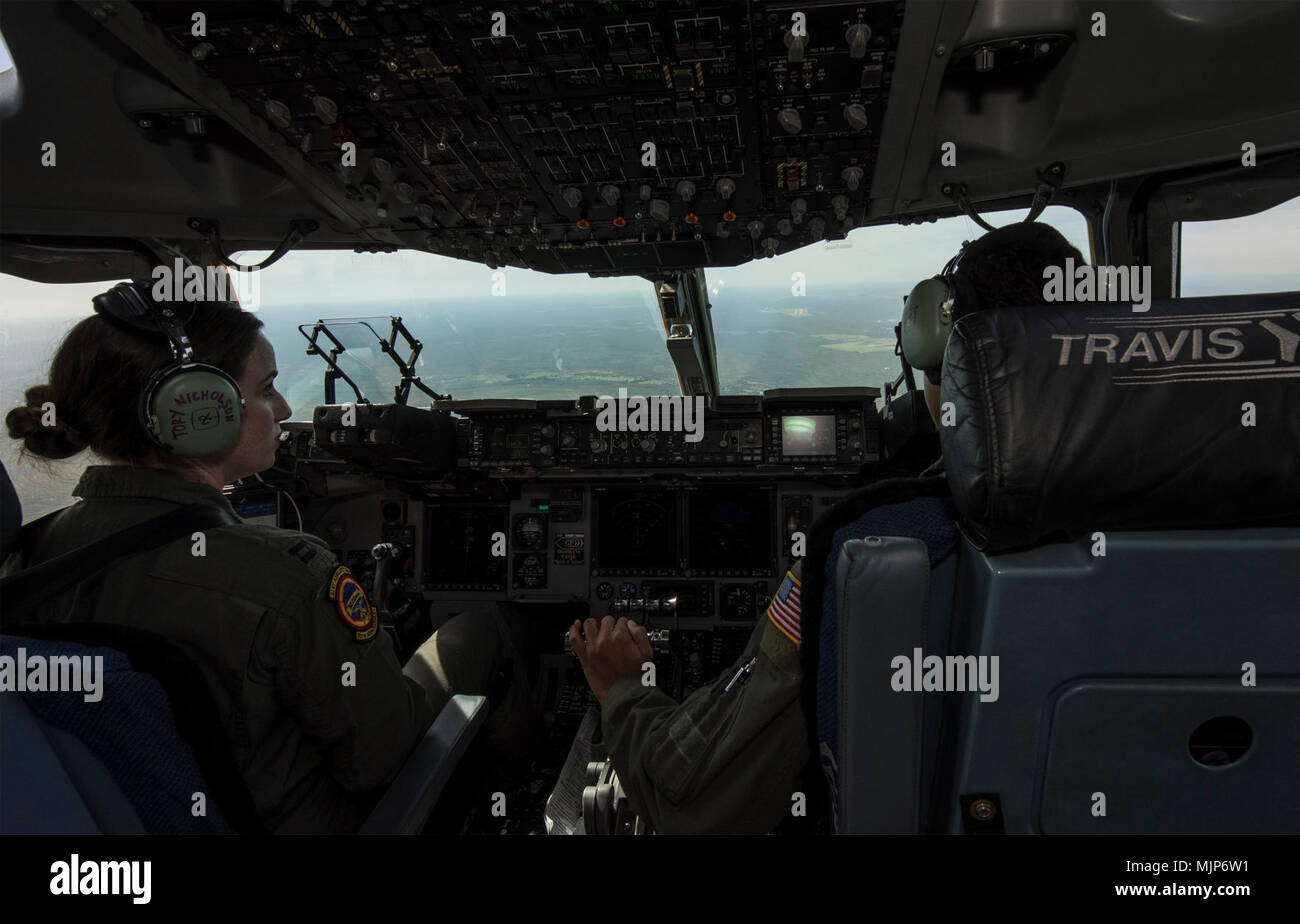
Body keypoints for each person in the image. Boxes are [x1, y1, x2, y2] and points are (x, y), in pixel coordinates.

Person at [569, 221, 1087, 834]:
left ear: (941, 353)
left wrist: (623, 690)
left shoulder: (868, 554)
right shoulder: (1215, 526)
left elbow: (687, 800)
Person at [2, 280, 537, 833]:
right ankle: (520, 802)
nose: (283, 407)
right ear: (197, 411)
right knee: (477, 633)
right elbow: (386, 757)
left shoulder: (27, 561)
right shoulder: (287, 573)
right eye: (266, 389)